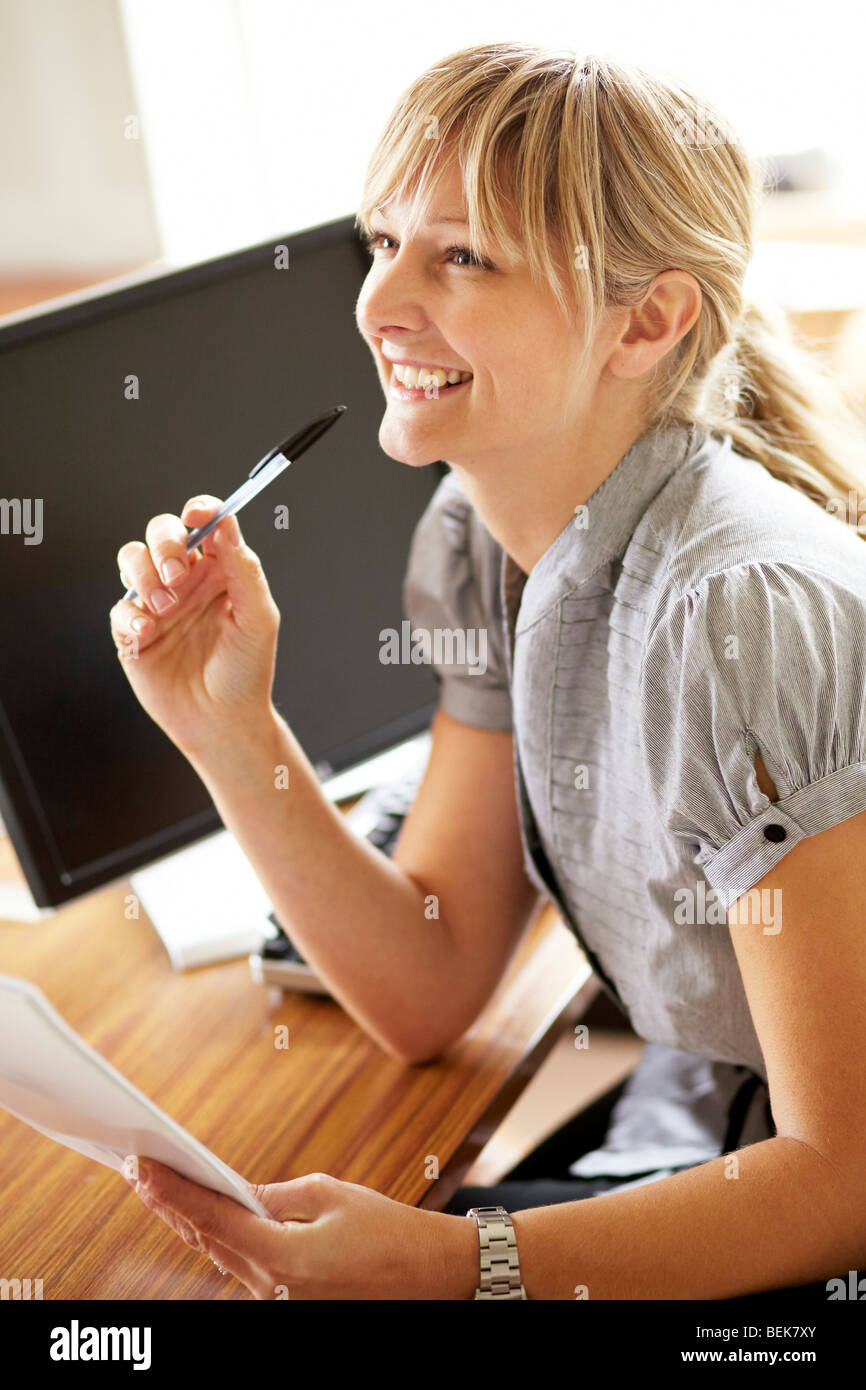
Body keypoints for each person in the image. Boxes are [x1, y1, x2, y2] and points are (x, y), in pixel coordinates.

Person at [109, 42, 866, 1300]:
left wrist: (458, 1263)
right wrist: (227, 730)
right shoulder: (478, 537)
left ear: (647, 320)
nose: (378, 301)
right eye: (381, 238)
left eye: (460, 255)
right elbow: (433, 974)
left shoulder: (739, 613)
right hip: (725, 1119)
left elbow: (842, 1174)